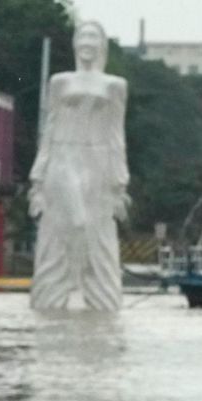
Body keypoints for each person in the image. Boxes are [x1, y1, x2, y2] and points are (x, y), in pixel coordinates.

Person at [28, 20, 129, 311]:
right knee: (76, 222)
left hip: (98, 162)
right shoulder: (60, 81)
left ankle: (98, 293)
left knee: (98, 229)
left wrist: (119, 182)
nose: (87, 42)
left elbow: (116, 134)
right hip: (63, 158)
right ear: (74, 43)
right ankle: (72, 286)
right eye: (82, 36)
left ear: (102, 44)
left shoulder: (115, 85)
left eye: (93, 37)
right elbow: (49, 127)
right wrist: (37, 179)